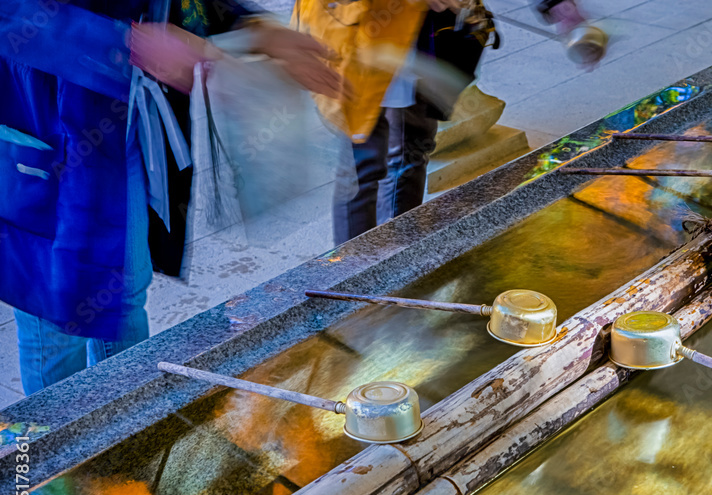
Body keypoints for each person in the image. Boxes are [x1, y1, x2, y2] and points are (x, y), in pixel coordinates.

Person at [0, 0, 342, 395]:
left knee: (124, 290)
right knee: (54, 318)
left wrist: (249, 28)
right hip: (39, 110)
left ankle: (129, 422)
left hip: (116, 116)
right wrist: (125, 42)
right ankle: (53, 450)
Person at [301, 0, 584, 245]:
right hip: (360, 32)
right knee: (363, 163)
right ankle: (351, 281)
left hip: (423, 37)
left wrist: (556, 4)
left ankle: (399, 258)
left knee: (410, 152)